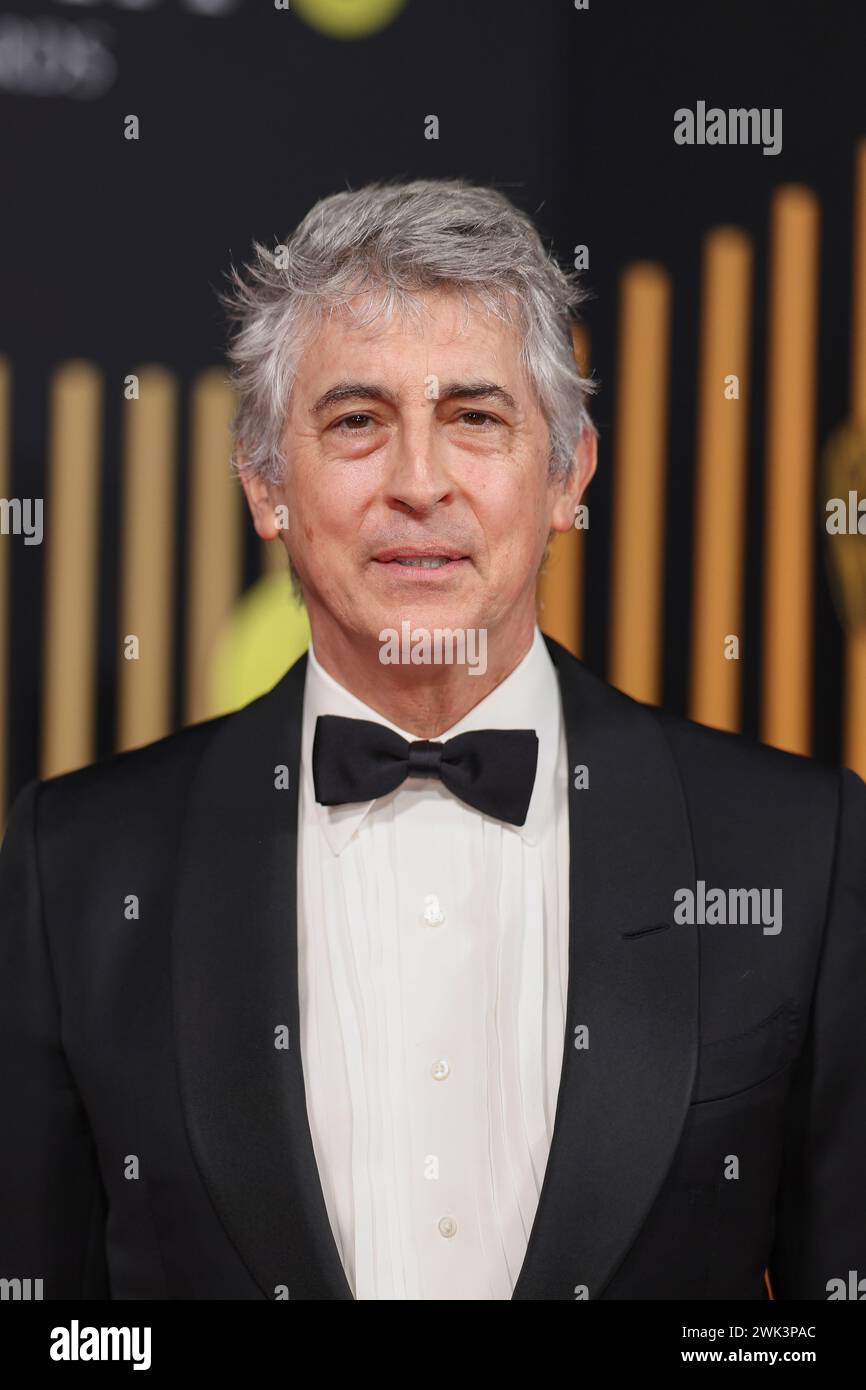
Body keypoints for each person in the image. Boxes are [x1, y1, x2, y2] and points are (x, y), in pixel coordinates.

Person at [1, 179, 864, 1301]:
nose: (418, 484)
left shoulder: (797, 850)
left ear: (567, 472)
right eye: (356, 420)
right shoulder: (76, 865)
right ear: (265, 482)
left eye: (475, 417)